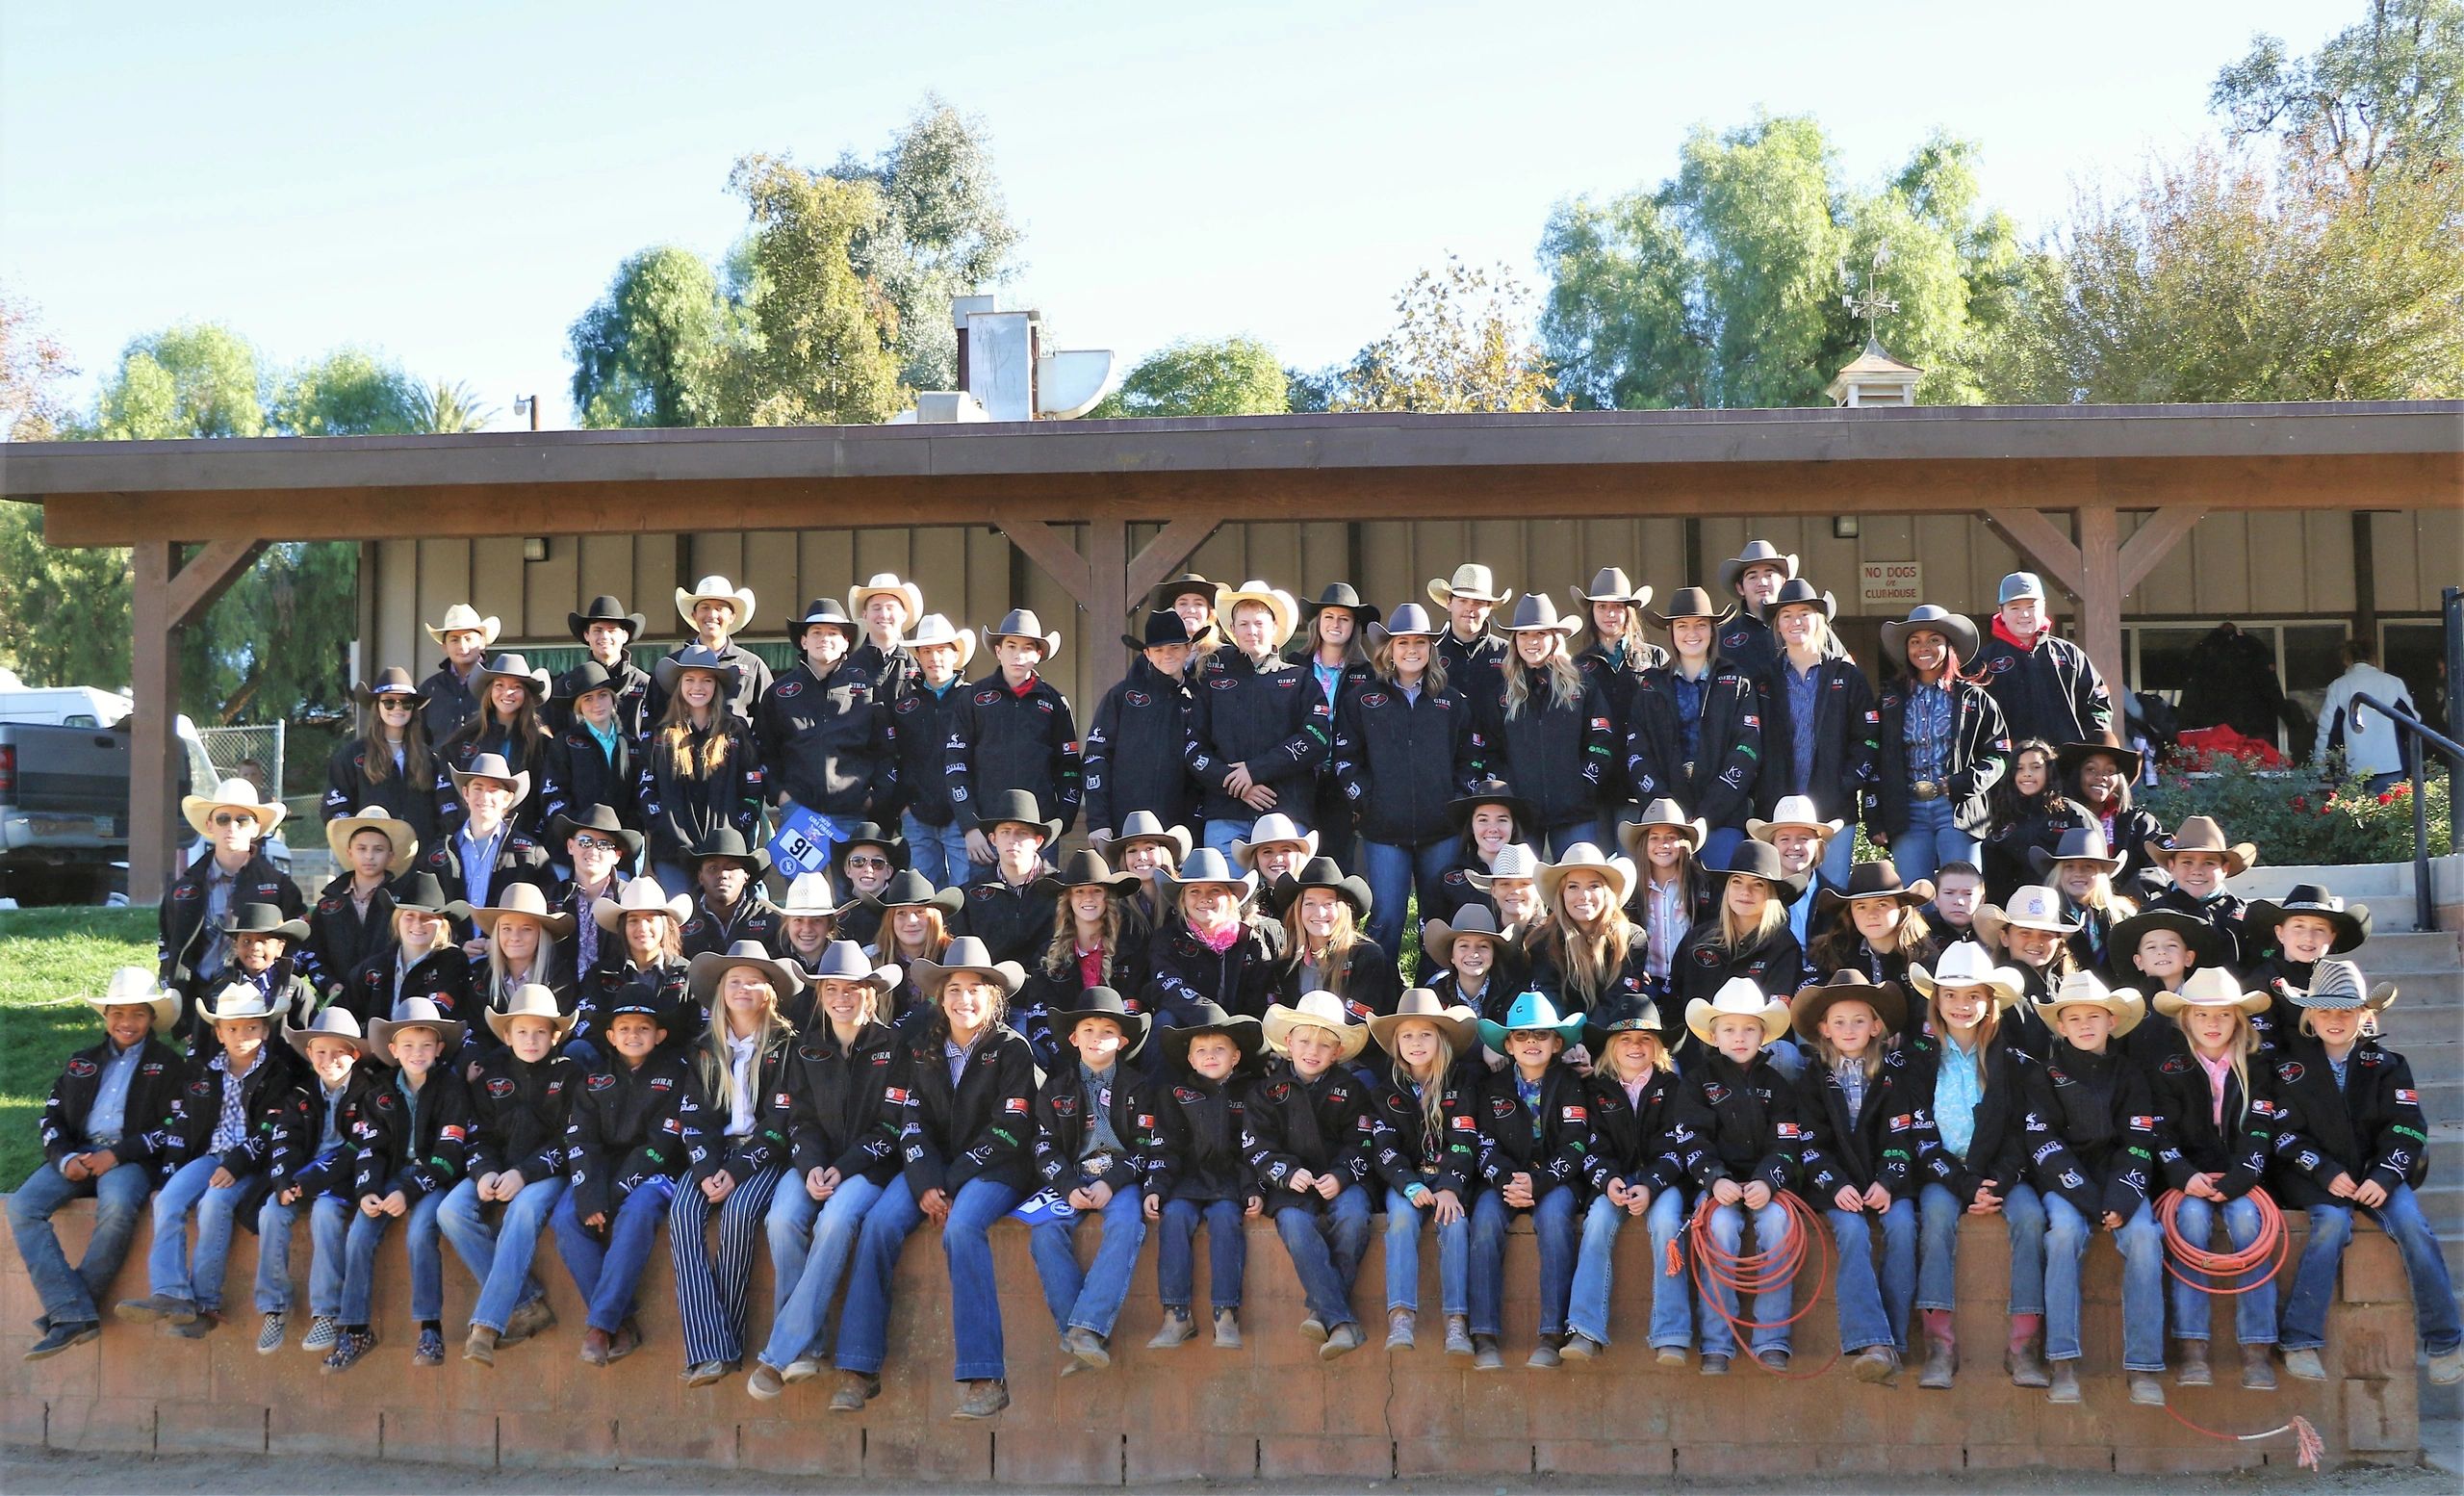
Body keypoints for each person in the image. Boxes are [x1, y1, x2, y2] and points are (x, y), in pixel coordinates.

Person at [833, 938, 1038, 1421]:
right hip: (931, 1169)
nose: (963, 1000)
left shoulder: (1012, 1049)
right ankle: (858, 1367)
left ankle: (984, 1375)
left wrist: (949, 1180)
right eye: (954, 990)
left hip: (996, 1168)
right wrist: (927, 1179)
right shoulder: (922, 1047)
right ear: (940, 998)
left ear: (993, 997)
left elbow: (1010, 1129)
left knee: (964, 1228)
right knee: (880, 1224)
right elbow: (911, 1119)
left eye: (974, 990)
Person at [2269, 959, 2462, 1387]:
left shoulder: (2389, 1065)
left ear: (2365, 1015)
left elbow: (2408, 1128)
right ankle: (2300, 1338)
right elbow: (2282, 1134)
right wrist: (2322, 1170)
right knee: (2330, 1225)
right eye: (2325, 1010)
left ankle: (2445, 1341)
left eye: (2347, 1010)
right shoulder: (2287, 1069)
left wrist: (2386, 1177)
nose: (2335, 1019)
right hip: (2317, 1178)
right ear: (2309, 1016)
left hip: (2379, 1175)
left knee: (2412, 1224)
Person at [750, 943, 903, 1398]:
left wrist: (841, 1168)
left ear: (870, 995)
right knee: (780, 1220)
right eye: (831, 988)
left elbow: (892, 1126)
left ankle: (781, 1352)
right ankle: (808, 1349)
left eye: (852, 989)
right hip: (813, 1163)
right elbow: (800, 1118)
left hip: (870, 1166)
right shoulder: (806, 1048)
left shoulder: (895, 1047)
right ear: (820, 995)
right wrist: (814, 1166)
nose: (841, 997)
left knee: (836, 1221)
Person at [13, 969, 188, 1359]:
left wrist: (119, 1154)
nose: (127, 1023)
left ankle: (71, 1311)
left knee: (117, 1205)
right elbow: (51, 1116)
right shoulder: (81, 1063)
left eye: (138, 1014)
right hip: (78, 1152)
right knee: (24, 1206)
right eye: (118, 1014)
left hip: (131, 1158)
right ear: (106, 1017)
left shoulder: (169, 1065)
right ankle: (72, 1309)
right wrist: (64, 1157)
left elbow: (177, 1125)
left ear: (151, 1018)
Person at [1900, 942, 2051, 1390]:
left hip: (2004, 1172)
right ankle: (1939, 1344)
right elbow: (1918, 1133)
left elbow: (2025, 1132)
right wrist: (1963, 1183)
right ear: (1937, 1001)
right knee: (1937, 1217)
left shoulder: (2015, 1062)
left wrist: (1999, 1180)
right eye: (1950, 995)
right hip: (1942, 1172)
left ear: (1991, 1001)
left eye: (1973, 996)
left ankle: (2024, 1343)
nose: (1961, 1005)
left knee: (2029, 1217)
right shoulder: (1917, 1060)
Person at [117, 984, 302, 1342]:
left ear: (265, 1031)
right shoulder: (205, 1074)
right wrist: (167, 1175)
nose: (242, 1035)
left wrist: (235, 1164)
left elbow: (273, 1129)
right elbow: (183, 1127)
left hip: (251, 1165)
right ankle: (171, 1292)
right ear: (218, 1033)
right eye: (232, 1028)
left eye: (251, 1027)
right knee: (169, 1200)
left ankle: (204, 1302)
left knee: (214, 1204)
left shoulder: (278, 1075)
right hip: (208, 1158)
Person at [2016, 970, 2168, 1406]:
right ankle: (2063, 1361)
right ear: (2060, 1026)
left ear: (2112, 1022)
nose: (2084, 1025)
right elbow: (2042, 1142)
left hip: (2122, 1183)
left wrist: (2120, 1198)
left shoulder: (2130, 1074)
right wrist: (2088, 1198)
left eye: (2094, 1017)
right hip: (2065, 1183)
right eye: (2074, 1017)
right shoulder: (2043, 1074)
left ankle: (2144, 1367)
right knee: (2063, 1234)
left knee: (2143, 1235)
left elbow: (2140, 1140)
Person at [2145, 968, 2284, 1392]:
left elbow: (2261, 1127)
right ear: (2187, 1019)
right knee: (2188, 1221)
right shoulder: (2169, 1068)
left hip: (2242, 1177)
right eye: (2203, 1015)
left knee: (2247, 1221)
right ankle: (2192, 1347)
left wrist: (2242, 1176)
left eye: (2224, 1015)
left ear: (2238, 1021)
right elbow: (2158, 1129)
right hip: (2187, 1179)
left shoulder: (2257, 1067)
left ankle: (2257, 1348)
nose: (2212, 1023)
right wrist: (2183, 1174)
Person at [669, 942, 799, 1385]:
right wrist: (706, 1172)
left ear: (770, 992)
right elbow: (694, 1116)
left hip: (764, 1153)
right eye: (734, 981)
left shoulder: (788, 1046)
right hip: (715, 1153)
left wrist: (739, 1170)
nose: (743, 988)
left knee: (740, 1214)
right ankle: (711, 1346)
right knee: (684, 1210)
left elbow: (784, 1119)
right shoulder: (705, 1048)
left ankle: (725, 1343)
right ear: (721, 990)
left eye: (753, 980)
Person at [327, 997, 475, 1373]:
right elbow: (371, 1147)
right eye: (407, 1045)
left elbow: (449, 1152)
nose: (417, 1053)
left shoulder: (452, 1089)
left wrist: (408, 1192)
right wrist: (367, 1190)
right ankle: (356, 1327)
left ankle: (430, 1327)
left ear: (440, 1048)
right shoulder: (380, 1092)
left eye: (426, 1045)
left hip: (434, 1178)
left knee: (420, 1231)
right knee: (360, 1233)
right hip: (392, 1177)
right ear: (392, 1050)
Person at [1671, 978, 1807, 1374]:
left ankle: (1771, 1338)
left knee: (1780, 1224)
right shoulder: (1696, 1083)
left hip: (1768, 1185)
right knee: (1719, 1228)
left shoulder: (1777, 1085)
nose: (1740, 1037)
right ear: (1713, 1036)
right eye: (1729, 1029)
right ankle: (1717, 1342)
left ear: (1764, 1034)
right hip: (1719, 1184)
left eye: (1749, 1028)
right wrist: (1715, 1179)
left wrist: (1768, 1180)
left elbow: (1787, 1141)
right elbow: (1690, 1138)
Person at [1336, 602, 1483, 960]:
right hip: (1384, 832)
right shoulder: (1361, 700)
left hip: (1442, 830)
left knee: (1438, 918)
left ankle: (1436, 993)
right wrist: (1366, 801)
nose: (1412, 650)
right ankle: (1380, 998)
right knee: (1386, 918)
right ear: (1389, 650)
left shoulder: (1452, 702)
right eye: (1402, 643)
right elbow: (1345, 758)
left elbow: (1472, 758)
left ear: (1431, 649)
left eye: (1420, 642)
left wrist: (1457, 802)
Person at [1792, 971, 1919, 1383]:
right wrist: (1836, 1184)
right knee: (1851, 1233)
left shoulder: (1894, 1073)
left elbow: (1902, 1133)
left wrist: (1888, 1180)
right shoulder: (1811, 1079)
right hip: (1836, 1186)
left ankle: (1894, 1342)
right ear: (1824, 1029)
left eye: (1859, 1020)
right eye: (1839, 1021)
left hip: (1886, 1181)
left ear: (1876, 1025)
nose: (1849, 1029)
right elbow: (1810, 1143)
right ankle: (1872, 1341)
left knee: (1902, 1226)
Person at [439, 985, 575, 1366]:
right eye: (521, 1032)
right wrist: (483, 1171)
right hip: (497, 1168)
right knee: (450, 1211)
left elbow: (573, 1140)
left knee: (523, 1210)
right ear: (506, 1034)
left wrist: (523, 1173)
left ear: (555, 1035)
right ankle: (526, 1303)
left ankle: (486, 1325)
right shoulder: (491, 1073)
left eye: (540, 1032)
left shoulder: (570, 1073)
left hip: (547, 1172)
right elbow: (478, 1133)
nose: (530, 1040)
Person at [555, 990, 691, 1369]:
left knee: (638, 1211)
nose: (634, 1035)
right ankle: (621, 1319)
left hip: (657, 1171)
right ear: (611, 1036)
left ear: (659, 1035)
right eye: (624, 1028)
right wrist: (590, 1195)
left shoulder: (676, 1076)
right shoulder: (593, 1081)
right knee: (567, 1217)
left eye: (644, 1028)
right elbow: (580, 1141)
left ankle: (599, 1326)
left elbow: (661, 1144)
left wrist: (612, 1195)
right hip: (601, 1172)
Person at [1028, 988, 1161, 1374]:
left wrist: (1113, 1182)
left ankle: (1085, 1329)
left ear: (1121, 1041)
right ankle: (1078, 1333)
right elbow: (1043, 1148)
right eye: (1088, 1029)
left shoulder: (1139, 1088)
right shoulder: (1055, 1090)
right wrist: (1069, 1185)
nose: (1097, 1036)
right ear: (1074, 1038)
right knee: (1044, 1233)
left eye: (1107, 1030)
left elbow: (1146, 1145)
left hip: (1121, 1176)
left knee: (1125, 1224)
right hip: (1074, 1176)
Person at [250, 1007, 386, 1360]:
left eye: (338, 1052)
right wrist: (284, 1180)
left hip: (346, 1178)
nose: (329, 1061)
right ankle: (274, 1306)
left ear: (355, 1054)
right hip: (303, 1175)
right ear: (309, 1055)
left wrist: (311, 1180)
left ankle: (327, 1310)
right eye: (320, 1052)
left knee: (326, 1213)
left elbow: (360, 1146)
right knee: (271, 1212)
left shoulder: (370, 1093)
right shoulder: (299, 1093)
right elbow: (285, 1140)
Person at [1246, 990, 1375, 1359]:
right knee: (1295, 1227)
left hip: (1342, 1181)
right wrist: (1286, 1173)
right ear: (1288, 1042)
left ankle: (1324, 1312)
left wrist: (1341, 1174)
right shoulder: (1266, 1093)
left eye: (1325, 1044)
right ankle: (1343, 1322)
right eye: (1304, 1040)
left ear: (1337, 1052)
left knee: (1353, 1217)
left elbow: (1363, 1141)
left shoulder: (1351, 1090)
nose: (1313, 1050)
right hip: (1290, 1187)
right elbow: (1256, 1147)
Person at [1467, 991, 1591, 1370]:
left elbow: (1576, 1143)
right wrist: (1509, 1180)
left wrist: (1539, 1182)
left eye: (1540, 1035)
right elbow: (1483, 1142)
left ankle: (1553, 1334)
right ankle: (1484, 1334)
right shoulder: (1494, 1088)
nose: (1531, 1042)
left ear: (1557, 1042)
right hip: (1505, 1180)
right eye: (1521, 1036)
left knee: (1554, 1221)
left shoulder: (1570, 1084)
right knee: (1485, 1220)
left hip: (1556, 1181)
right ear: (1508, 1044)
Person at [1561, 994, 1682, 1364]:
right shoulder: (1595, 1090)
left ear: (1658, 1047)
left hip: (1662, 1180)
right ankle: (1584, 1328)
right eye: (1626, 1040)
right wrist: (1608, 1181)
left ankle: (1672, 1332)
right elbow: (1589, 1146)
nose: (1635, 1046)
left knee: (1666, 1224)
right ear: (1611, 1047)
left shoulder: (1672, 1087)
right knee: (1597, 1220)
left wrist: (1652, 1184)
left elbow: (1680, 1144)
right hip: (1614, 1181)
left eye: (1645, 1039)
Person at [1143, 999, 1266, 1352]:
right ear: (1190, 1059)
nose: (1210, 1056)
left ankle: (1226, 1314)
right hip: (1187, 1182)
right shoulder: (1176, 1095)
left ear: (1236, 1056)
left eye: (1219, 1049)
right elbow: (1165, 1146)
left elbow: (1253, 1149)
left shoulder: (1250, 1094)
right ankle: (1176, 1315)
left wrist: (1252, 1189)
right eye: (1201, 1051)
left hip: (1229, 1184)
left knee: (1227, 1221)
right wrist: (1156, 1186)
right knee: (1175, 1218)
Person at [1363, 991, 1480, 1355]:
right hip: (1407, 1179)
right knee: (1399, 1220)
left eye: (1425, 1034)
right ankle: (1401, 1315)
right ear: (1396, 1043)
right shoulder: (1385, 1091)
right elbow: (1383, 1148)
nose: (1416, 1043)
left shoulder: (1462, 1083)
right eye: (1407, 1035)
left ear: (1440, 1038)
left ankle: (1457, 1321)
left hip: (1449, 1179)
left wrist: (1450, 1187)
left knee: (1455, 1223)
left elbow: (1465, 1138)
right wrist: (1408, 1184)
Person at [1870, 604, 2010, 887]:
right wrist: (1874, 816)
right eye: (1915, 641)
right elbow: (1875, 759)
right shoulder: (1890, 701)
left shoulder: (1975, 699)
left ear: (1949, 646)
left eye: (1934, 640)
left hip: (1958, 810)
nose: (1924, 648)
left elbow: (2000, 753)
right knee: (1914, 898)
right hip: (1906, 810)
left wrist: (1964, 782)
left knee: (1961, 894)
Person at [1188, 580, 1328, 861]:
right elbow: (1193, 749)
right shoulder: (1210, 682)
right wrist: (1236, 783)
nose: (1252, 631)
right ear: (1233, 629)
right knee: (1227, 899)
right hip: (1224, 815)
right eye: (1243, 624)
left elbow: (1317, 739)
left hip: (1286, 812)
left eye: (1259, 623)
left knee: (1287, 901)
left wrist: (1254, 771)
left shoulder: (1301, 679)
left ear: (1274, 627)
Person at [1629, 586, 1762, 868]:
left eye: (1701, 625)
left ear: (1713, 631)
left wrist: (1707, 813)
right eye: (1683, 625)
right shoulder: (1650, 685)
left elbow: (1746, 749)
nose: (1692, 633)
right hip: (1664, 824)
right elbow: (1637, 750)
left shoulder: (1737, 682)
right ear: (1672, 632)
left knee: (1722, 896)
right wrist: (1664, 808)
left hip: (1722, 819)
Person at [1757, 580, 1877, 890]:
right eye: (1787, 615)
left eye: (1805, 613)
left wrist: (1845, 783)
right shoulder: (1763, 680)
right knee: (1779, 896)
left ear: (1819, 620)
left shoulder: (1846, 676)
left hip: (1833, 811)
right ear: (1777, 626)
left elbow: (1868, 738)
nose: (1796, 621)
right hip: (1777, 813)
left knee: (1831, 895)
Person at [945, 608, 1081, 880]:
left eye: (1027, 648)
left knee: (1040, 909)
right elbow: (956, 765)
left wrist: (1059, 824)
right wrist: (970, 827)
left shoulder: (1055, 702)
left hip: (1039, 834)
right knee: (986, 910)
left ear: (1038, 654)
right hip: (986, 834)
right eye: (1011, 646)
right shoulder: (973, 698)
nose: (1018, 655)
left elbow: (1070, 768)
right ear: (998, 651)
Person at [1476, 594, 1613, 857]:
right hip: (1521, 815)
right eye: (1524, 635)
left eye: (1540, 634)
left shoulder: (1582, 686)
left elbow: (1602, 740)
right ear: (1515, 640)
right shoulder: (1501, 694)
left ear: (1554, 638)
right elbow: (1489, 748)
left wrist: (1584, 783)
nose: (1532, 642)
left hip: (1576, 813)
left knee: (1577, 884)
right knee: (1521, 890)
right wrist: (1508, 792)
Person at [160, 779, 306, 1021]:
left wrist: (279, 989)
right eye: (223, 818)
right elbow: (166, 949)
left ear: (256, 828)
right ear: (209, 825)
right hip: (197, 1002)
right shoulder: (183, 889)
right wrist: (178, 1003)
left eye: (242, 820)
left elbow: (296, 943)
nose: (232, 826)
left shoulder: (280, 885)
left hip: (259, 1003)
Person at [760, 597, 894, 834]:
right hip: (798, 811)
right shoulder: (779, 693)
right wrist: (780, 796)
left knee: (854, 873)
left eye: (833, 633)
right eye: (816, 632)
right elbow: (764, 750)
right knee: (802, 874)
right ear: (803, 640)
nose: (824, 639)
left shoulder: (868, 691)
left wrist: (873, 799)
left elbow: (886, 752)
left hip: (853, 814)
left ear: (846, 642)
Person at [639, 650, 766, 891]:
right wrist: (662, 824)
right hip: (672, 852)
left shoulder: (735, 731)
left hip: (725, 854)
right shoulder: (661, 735)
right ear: (679, 685)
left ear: (716, 686)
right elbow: (647, 787)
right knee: (681, 920)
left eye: (706, 680)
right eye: (689, 679)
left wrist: (736, 826)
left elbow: (752, 785)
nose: (697, 687)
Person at [1015, 850, 1147, 1070]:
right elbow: (1039, 1015)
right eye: (1079, 892)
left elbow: (1134, 1006)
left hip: (1120, 1054)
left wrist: (1108, 1052)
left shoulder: (1131, 947)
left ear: (1108, 899)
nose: (1088, 898)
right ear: (1069, 900)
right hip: (1063, 1059)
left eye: (1096, 891)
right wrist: (1069, 1055)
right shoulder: (1047, 955)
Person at [1670, 841, 1806, 1046]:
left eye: (1758, 884)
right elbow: (1675, 997)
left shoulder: (1784, 946)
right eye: (1737, 882)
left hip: (1759, 1052)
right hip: (1696, 1052)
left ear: (1771, 893)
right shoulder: (1696, 939)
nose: (1745, 891)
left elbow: (1777, 1015)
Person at [1084, 609, 1199, 847]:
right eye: (1158, 650)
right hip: (1121, 828)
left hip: (1182, 831)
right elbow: (1096, 757)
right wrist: (1098, 821)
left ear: (1188, 649)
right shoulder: (1121, 696)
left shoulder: (1200, 699)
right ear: (1147, 653)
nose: (1167, 655)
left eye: (1175, 648)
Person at [886, 614, 977, 888]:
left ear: (954, 654)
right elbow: (894, 758)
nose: (934, 657)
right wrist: (903, 808)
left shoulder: (973, 700)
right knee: (922, 893)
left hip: (963, 816)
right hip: (916, 815)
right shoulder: (904, 706)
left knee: (965, 889)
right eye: (926, 651)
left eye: (941, 650)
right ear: (919, 657)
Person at [1973, 572, 2115, 749]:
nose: (2024, 614)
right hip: (2010, 771)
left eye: (2032, 606)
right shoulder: (1984, 661)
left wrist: (2092, 750)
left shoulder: (2071, 655)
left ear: (2044, 607)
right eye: (2014, 608)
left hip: (2066, 768)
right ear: (2001, 612)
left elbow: (2098, 703)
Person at [1291, 583, 1378, 868]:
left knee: (1337, 857)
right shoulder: (1294, 665)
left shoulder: (1368, 674)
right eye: (1329, 617)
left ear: (1354, 627)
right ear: (1318, 622)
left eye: (1344, 618)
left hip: (1342, 779)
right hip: (1298, 774)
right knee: (1295, 855)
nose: (1335, 624)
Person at [1146, 848, 1284, 1024]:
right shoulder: (1167, 939)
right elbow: (1167, 987)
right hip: (1185, 1031)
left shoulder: (1250, 941)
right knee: (1165, 1020)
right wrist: (1209, 1014)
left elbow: (1260, 1000)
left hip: (1239, 1031)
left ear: (1229, 899)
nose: (1205, 898)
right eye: (1194, 891)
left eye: (1215, 890)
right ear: (1183, 900)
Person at [1269, 857, 1400, 1033]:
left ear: (1343, 909)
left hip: (1357, 1057)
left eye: (1328, 903)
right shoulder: (1287, 965)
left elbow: (1363, 1027)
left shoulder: (1368, 958)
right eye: (1309, 903)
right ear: (1298, 910)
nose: (1319, 912)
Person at [418, 751, 554, 921]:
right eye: (478, 788)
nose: (485, 797)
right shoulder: (437, 855)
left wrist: (497, 939)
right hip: (452, 947)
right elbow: (427, 913)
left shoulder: (530, 853)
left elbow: (547, 908)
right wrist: (457, 943)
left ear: (507, 798)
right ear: (465, 793)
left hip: (507, 946)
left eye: (493, 790)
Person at [1524, 844, 1650, 1026]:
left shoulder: (1632, 937)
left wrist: (1589, 1039)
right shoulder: (1542, 938)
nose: (1584, 896)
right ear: (1562, 894)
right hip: (1560, 1037)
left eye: (1594, 886)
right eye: (1573, 887)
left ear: (1607, 893)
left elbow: (1621, 999)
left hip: (1612, 1035)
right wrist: (1569, 1039)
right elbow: (1549, 998)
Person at [435, 654, 557, 838]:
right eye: (500, 685)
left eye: (516, 687)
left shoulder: (542, 744)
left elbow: (546, 795)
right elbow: (446, 790)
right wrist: (455, 826)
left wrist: (535, 835)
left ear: (526, 694)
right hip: (467, 837)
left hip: (522, 842)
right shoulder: (462, 740)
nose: (507, 693)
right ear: (489, 691)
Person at [1569, 568, 1664, 803]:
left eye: (1617, 607)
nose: (1610, 614)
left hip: (1645, 778)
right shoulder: (1577, 666)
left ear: (1628, 612)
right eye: (1602, 606)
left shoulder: (1656, 658)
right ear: (1592, 612)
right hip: (1596, 783)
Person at [323, 668, 442, 850]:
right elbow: (335, 806)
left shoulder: (429, 758)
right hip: (371, 861)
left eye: (406, 703)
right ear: (377, 706)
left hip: (420, 861)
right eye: (389, 703)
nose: (398, 708)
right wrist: (355, 846)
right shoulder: (351, 756)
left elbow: (440, 812)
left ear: (413, 709)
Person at [305, 811, 414, 1007]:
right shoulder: (327, 906)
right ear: (350, 853)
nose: (369, 856)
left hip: (389, 1000)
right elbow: (315, 953)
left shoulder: (403, 902)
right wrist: (329, 984)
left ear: (391, 856)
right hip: (342, 1000)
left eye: (378, 849)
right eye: (361, 848)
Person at [578, 878, 692, 1063]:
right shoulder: (600, 975)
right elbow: (592, 1025)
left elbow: (697, 1028)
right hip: (613, 1066)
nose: (642, 928)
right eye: (633, 920)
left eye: (650, 919)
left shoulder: (687, 973)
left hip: (675, 1067)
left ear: (665, 925)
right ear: (622, 927)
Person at [463, 884, 577, 1058]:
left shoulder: (559, 979)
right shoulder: (481, 976)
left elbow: (561, 1036)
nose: (515, 937)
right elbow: (477, 1031)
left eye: (526, 929)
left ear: (541, 934)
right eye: (506, 928)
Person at [951, 790, 1062, 967]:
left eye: (1022, 833)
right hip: (988, 989)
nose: (1012, 840)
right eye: (1005, 832)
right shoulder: (969, 896)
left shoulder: (1061, 889)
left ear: (1038, 841)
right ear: (993, 839)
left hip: (1047, 988)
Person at [1973, 885, 2079, 1057]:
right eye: (2025, 933)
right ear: (2005, 937)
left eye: (2046, 934)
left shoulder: (2068, 988)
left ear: (2059, 941)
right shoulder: (1994, 992)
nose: (2036, 941)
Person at [2141, 816, 2258, 969]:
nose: (2196, 871)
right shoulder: (2151, 915)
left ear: (2225, 869)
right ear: (2172, 867)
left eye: (2208, 863)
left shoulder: (2242, 915)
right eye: (2187, 862)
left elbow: (2256, 966)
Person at [2059, 740, 2167, 904]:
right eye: (2091, 769)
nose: (2101, 777)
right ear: (2077, 773)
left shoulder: (2139, 823)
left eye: (2110, 771)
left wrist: (2130, 898)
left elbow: (2159, 864)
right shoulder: (2058, 818)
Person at [1619, 801, 1706, 998]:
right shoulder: (1630, 889)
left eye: (1670, 837)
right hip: (1646, 982)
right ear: (1643, 844)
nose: (1662, 845)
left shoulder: (1701, 885)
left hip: (1692, 980)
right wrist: (1633, 970)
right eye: (1654, 838)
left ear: (1683, 842)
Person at [542, 663, 641, 835]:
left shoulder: (632, 744)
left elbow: (639, 797)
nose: (597, 703)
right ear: (579, 706)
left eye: (603, 695)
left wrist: (626, 832)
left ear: (613, 699)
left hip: (622, 842)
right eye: (588, 698)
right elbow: (553, 794)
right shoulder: (564, 743)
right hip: (576, 841)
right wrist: (579, 828)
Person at [659, 576, 771, 724]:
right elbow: (655, 720)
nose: (712, 615)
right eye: (705, 607)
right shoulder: (673, 665)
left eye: (719, 608)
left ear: (732, 617)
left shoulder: (753, 666)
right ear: (694, 615)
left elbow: (770, 721)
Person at [1806, 863, 1938, 987]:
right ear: (1850, 912)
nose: (1872, 914)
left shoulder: (1925, 959)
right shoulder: (1833, 953)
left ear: (1901, 908)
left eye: (1881, 904)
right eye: (1861, 907)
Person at [2313, 636, 2419, 792]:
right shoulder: (2393, 683)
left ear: (2346, 659)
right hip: (2390, 763)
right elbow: (2412, 723)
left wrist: (2320, 766)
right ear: (2373, 657)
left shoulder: (2338, 686)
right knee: (2388, 814)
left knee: (2351, 814)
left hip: (2351, 766)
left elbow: (2327, 730)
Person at [547, 804, 639, 981]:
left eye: (604, 845)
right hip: (559, 997)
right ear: (570, 846)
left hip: (615, 996)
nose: (593, 850)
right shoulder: (550, 898)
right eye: (585, 842)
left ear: (617, 856)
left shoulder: (630, 899)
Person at [2033, 827, 2138, 977]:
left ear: (2100, 874)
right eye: (2069, 866)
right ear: (2059, 873)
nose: (2078, 873)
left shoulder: (2121, 914)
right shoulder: (2047, 917)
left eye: (2088, 866)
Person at [1750, 794, 1842, 955]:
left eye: (1804, 839)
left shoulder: (1837, 900)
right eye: (1784, 839)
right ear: (1772, 846)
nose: (1794, 846)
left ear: (1818, 846)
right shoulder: (1756, 895)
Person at [1429, 780, 1534, 921]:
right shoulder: (1447, 879)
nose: (1492, 828)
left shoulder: (1534, 876)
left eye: (1502, 820)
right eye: (1483, 820)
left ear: (1513, 826)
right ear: (1471, 826)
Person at [864, 870, 962, 1021]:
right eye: (901, 913)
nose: (911, 920)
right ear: (890, 920)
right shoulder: (872, 961)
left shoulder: (955, 957)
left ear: (934, 918)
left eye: (920, 912)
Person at [677, 828, 783, 967]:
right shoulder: (681, 922)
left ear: (746, 876)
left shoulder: (771, 919)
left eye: (731, 867)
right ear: (700, 877)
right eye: (713, 868)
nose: (723, 874)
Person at [554, 596, 654, 737]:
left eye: (612, 630)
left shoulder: (645, 684)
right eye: (597, 630)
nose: (605, 636)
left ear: (625, 636)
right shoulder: (566, 686)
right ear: (586, 635)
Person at [1709, 538, 1798, 693]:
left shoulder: (1807, 629)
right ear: (1740, 588)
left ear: (1783, 582)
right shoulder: (1722, 638)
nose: (1762, 582)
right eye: (1752, 577)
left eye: (1769, 575)